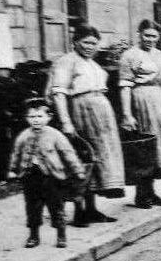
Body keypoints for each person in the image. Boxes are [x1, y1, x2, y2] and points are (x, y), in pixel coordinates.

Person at [48, 24, 123, 226]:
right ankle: (80, 211)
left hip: (101, 115)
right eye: (85, 42)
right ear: (75, 42)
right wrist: (66, 122)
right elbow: (59, 93)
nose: (90, 47)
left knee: (97, 162)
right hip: (80, 112)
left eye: (93, 43)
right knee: (83, 159)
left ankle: (92, 209)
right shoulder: (66, 62)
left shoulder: (93, 64)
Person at [7, 99, 86, 248]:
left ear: (48, 117)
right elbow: (16, 154)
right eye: (32, 117)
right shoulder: (23, 136)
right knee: (32, 208)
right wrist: (12, 170)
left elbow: (68, 153)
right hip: (30, 177)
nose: (36, 120)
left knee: (56, 207)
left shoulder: (55, 135)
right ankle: (33, 236)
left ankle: (61, 235)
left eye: (40, 116)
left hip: (51, 178)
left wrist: (78, 171)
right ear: (27, 118)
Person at [119, 19, 161, 209]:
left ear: (159, 37)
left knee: (159, 146)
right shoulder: (129, 55)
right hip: (141, 100)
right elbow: (125, 87)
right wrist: (127, 114)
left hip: (159, 103)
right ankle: (141, 194)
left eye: (154, 36)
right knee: (144, 147)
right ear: (139, 34)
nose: (150, 39)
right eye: (147, 35)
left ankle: (151, 192)